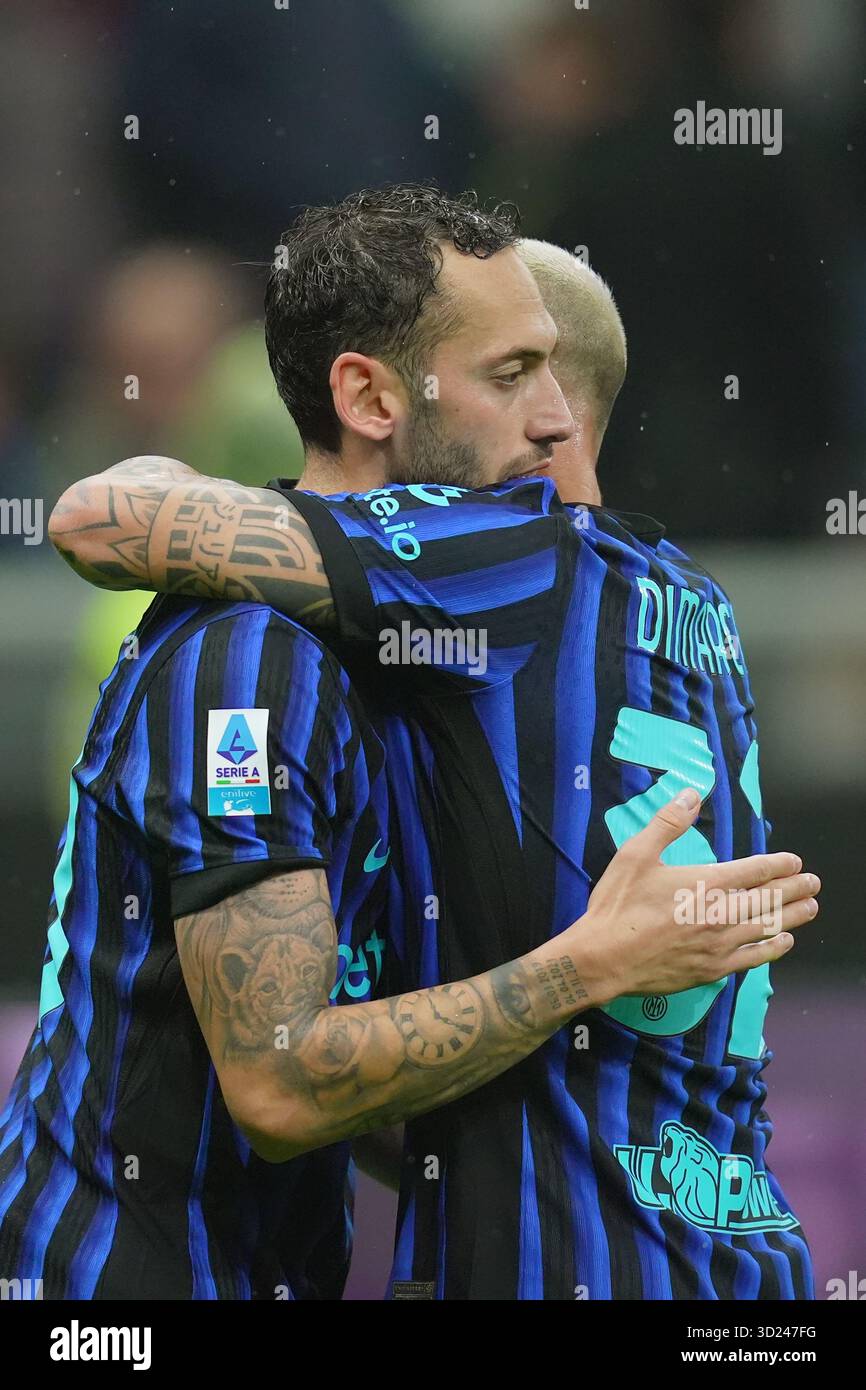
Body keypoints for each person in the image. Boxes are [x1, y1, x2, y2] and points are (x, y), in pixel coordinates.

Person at [47, 185, 820, 1299]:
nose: (545, 416)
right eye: (509, 375)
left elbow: (93, 519)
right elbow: (316, 1089)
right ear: (369, 393)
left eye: (545, 374)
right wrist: (578, 974)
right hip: (745, 1265)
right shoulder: (688, 606)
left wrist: (583, 968)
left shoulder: (504, 567)